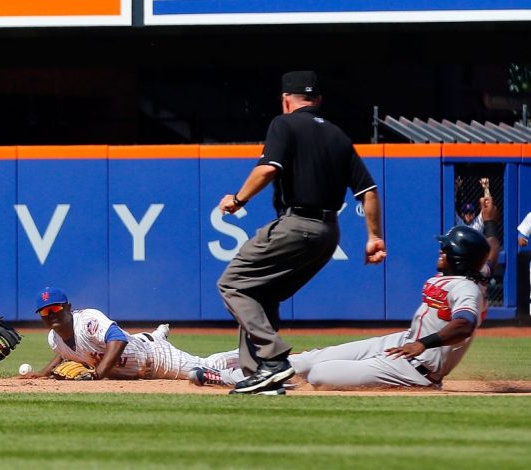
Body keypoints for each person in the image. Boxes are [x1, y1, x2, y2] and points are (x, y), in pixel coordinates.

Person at [216, 70, 386, 395]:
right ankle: (263, 376)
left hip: (297, 224)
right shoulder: (337, 135)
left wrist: (238, 200)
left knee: (232, 283)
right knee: (261, 292)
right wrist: (374, 237)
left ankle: (275, 360)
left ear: (285, 100)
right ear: (318, 101)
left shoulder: (284, 123)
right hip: (328, 233)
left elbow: (268, 169)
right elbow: (370, 191)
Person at [289, 225, 494, 389]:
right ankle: (265, 371)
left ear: (459, 257)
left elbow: (464, 325)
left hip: (414, 368)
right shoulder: (476, 272)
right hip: (402, 342)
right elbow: (491, 249)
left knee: (319, 374)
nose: (441, 251)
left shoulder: (467, 289)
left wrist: (423, 344)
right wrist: (490, 222)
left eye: (446, 248)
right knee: (307, 361)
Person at [28, 287, 241, 381]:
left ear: (67, 307)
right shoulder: (54, 339)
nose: (51, 314)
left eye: (55, 308)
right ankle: (158, 333)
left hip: (155, 358)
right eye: (45, 311)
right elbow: (65, 351)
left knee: (207, 368)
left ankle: (254, 353)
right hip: (139, 346)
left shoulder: (87, 321)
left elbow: (117, 339)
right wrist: (44, 372)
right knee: (140, 340)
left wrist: (98, 373)